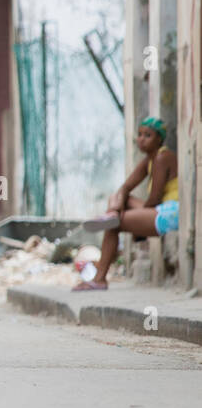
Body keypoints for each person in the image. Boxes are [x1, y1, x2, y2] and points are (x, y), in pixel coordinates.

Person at [75, 116, 179, 290]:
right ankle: (113, 215)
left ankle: (100, 278)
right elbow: (125, 187)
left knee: (114, 226)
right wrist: (118, 207)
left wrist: (126, 214)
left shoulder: (162, 157)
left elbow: (154, 199)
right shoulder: (149, 160)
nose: (141, 139)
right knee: (116, 198)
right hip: (159, 209)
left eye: (148, 135)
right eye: (139, 135)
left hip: (170, 213)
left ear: (159, 138)